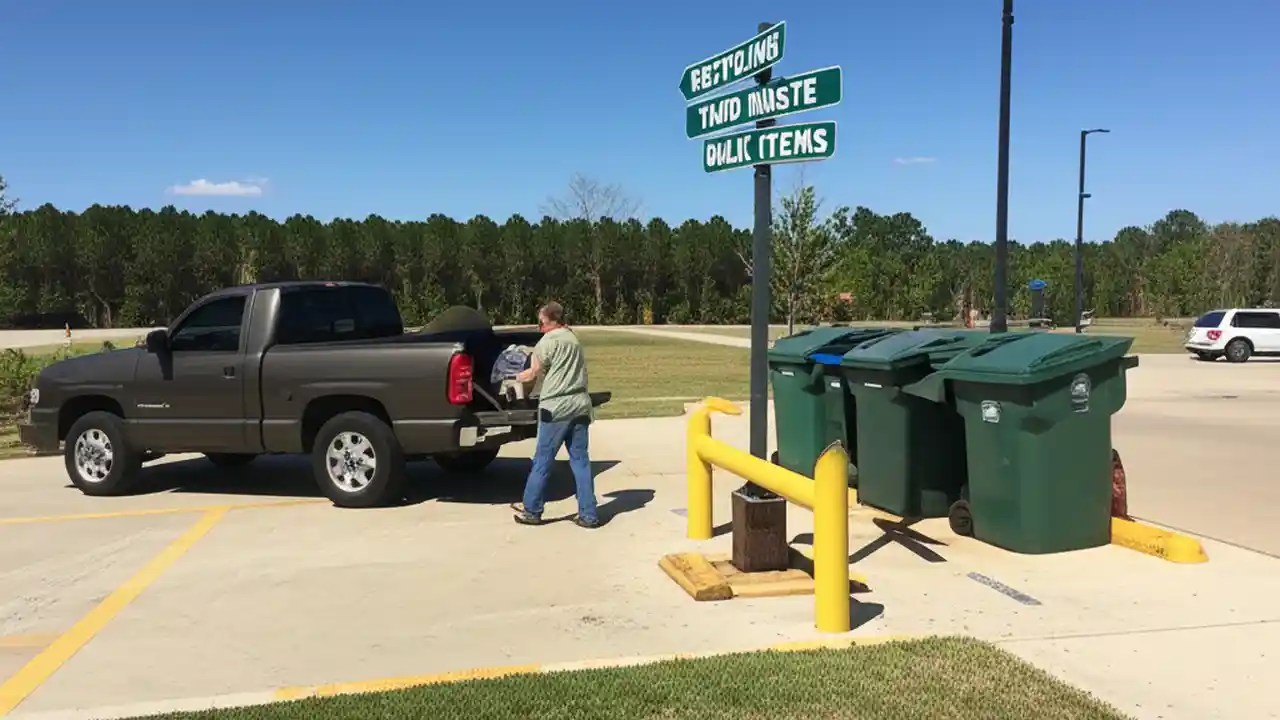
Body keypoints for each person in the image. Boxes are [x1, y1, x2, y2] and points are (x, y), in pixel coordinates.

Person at [512, 301, 599, 528]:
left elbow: (532, 374)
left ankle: (531, 509)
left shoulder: (545, 343)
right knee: (580, 461)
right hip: (580, 405)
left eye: (540, 322)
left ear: (548, 320)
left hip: (555, 408)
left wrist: (515, 377)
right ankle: (589, 514)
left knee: (542, 461)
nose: (539, 326)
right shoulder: (573, 339)